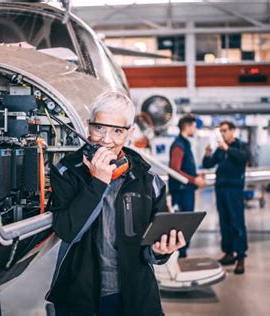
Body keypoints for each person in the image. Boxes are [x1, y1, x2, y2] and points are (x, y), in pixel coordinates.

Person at [46, 91, 186, 316]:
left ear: (130, 133)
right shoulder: (66, 171)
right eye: (99, 128)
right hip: (79, 298)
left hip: (136, 297)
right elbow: (67, 230)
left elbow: (154, 245)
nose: (106, 139)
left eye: (117, 131)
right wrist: (98, 183)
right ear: (87, 125)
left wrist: (160, 251)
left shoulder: (149, 181)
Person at [202, 121, 250, 274]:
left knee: (237, 222)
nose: (222, 133)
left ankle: (240, 257)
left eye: (225, 130)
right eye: (221, 131)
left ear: (233, 131)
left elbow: (243, 158)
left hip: (234, 189)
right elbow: (209, 164)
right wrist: (208, 154)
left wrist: (228, 149)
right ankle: (229, 253)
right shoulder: (220, 149)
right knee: (224, 222)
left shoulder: (240, 146)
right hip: (221, 188)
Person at [169, 115, 206, 258]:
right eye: (194, 126)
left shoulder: (184, 143)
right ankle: (180, 253)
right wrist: (194, 180)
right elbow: (175, 169)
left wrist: (196, 175)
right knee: (182, 222)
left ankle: (182, 251)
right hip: (181, 191)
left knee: (186, 221)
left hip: (186, 190)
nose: (195, 128)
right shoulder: (179, 145)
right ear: (188, 126)